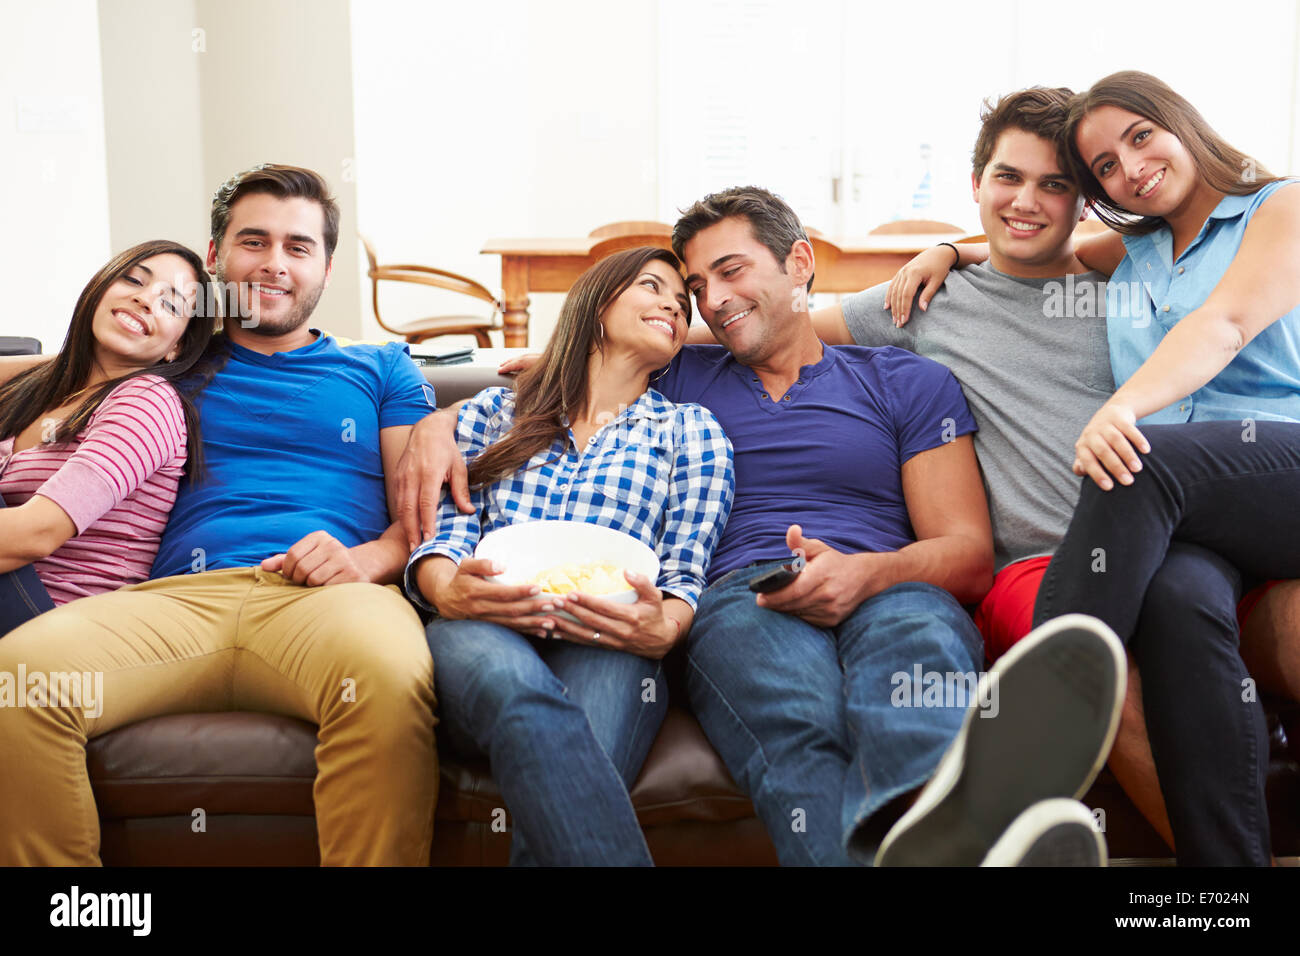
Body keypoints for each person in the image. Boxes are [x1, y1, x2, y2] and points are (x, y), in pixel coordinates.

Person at [405, 186, 1127, 866]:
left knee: (914, 664)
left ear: (799, 262)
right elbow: (562, 382)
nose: (712, 302)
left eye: (730, 272)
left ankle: (930, 825)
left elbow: (968, 556)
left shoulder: (907, 380)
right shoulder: (679, 381)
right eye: (696, 289)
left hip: (892, 582)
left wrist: (864, 572)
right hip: (743, 596)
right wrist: (432, 424)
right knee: (798, 726)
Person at [891, 71, 1300, 865]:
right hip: (1200, 514)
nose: (1130, 169)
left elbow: (1224, 323)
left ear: (1181, 122)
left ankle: (1029, 745)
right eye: (1105, 167)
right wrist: (949, 247)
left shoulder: (1277, 208)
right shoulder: (1137, 248)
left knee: (1137, 463)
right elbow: (1035, 241)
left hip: (1279, 470)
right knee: (1179, 604)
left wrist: (1122, 409)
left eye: (1140, 137)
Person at [0, 164, 439, 866]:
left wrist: (368, 555)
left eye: (298, 247)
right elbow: (62, 369)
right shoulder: (169, 357)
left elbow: (413, 522)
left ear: (327, 267)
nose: (272, 263)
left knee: (388, 680)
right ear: (216, 259)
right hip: (172, 604)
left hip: (331, 597)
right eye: (253, 241)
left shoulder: (382, 368)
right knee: (17, 680)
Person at [804, 86, 1180, 849]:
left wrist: (953, 243)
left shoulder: (1131, 288)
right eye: (1008, 178)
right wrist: (574, 356)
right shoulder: (925, 303)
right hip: (1036, 570)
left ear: (1086, 201)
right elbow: (777, 329)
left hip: (1164, 548)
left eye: (1055, 184)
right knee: (1107, 672)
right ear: (975, 185)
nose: (1027, 202)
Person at [407, 246, 734, 866]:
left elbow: (686, 569)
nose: (673, 303)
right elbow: (443, 534)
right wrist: (447, 591)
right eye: (652, 286)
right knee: (519, 693)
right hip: (483, 623)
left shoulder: (690, 431)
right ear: (599, 301)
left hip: (610, 638)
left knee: (582, 735)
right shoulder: (491, 413)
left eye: (681, 301)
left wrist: (662, 628)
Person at [0, 240, 217, 636]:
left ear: (177, 347)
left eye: (170, 305)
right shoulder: (38, 393)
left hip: (52, 621)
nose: (144, 300)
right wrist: (69, 360)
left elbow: (37, 533)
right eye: (133, 279)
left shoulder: (146, 402)